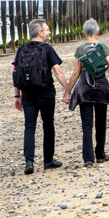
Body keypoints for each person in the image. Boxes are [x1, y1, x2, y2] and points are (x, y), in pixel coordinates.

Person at [12, 19, 68, 174]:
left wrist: (17, 96)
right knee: (48, 126)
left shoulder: (22, 49)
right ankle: (48, 161)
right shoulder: (47, 49)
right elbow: (58, 72)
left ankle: (29, 161)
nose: (49, 32)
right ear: (40, 33)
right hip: (46, 94)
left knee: (29, 127)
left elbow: (16, 73)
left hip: (27, 94)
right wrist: (68, 89)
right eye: (47, 30)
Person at [63, 18, 109, 168]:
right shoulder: (103, 47)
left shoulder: (80, 49)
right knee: (101, 122)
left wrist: (67, 92)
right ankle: (100, 154)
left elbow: (75, 74)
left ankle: (88, 158)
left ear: (84, 32)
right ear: (97, 32)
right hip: (101, 87)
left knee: (87, 124)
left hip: (84, 89)